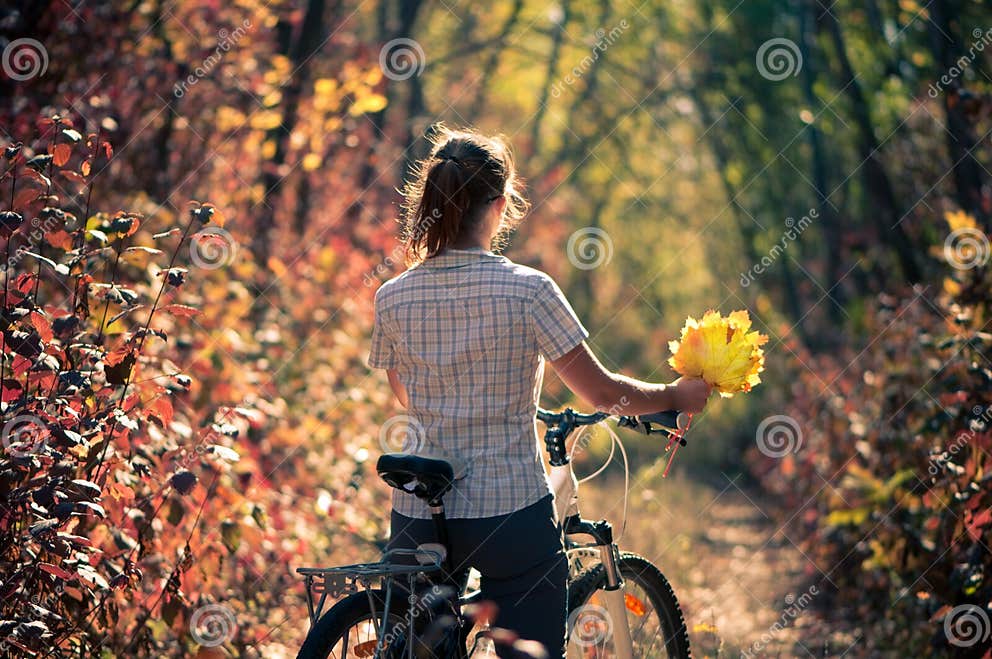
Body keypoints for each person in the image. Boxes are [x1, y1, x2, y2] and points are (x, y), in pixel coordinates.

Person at [367, 126, 710, 659]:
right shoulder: (528, 290)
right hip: (507, 509)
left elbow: (406, 395)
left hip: (417, 509)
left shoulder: (392, 297)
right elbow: (603, 393)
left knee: (422, 644)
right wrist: (675, 394)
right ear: (500, 207)